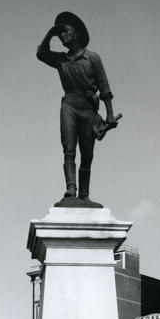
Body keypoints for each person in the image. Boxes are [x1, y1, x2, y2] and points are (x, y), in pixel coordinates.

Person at [37, 11, 120, 203]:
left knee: (88, 154)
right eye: (59, 35)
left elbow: (104, 86)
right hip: (69, 106)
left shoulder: (93, 58)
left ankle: (84, 194)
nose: (61, 36)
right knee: (69, 148)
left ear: (75, 33)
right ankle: (71, 189)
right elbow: (41, 54)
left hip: (88, 109)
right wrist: (50, 33)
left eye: (64, 31)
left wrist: (110, 114)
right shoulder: (61, 60)